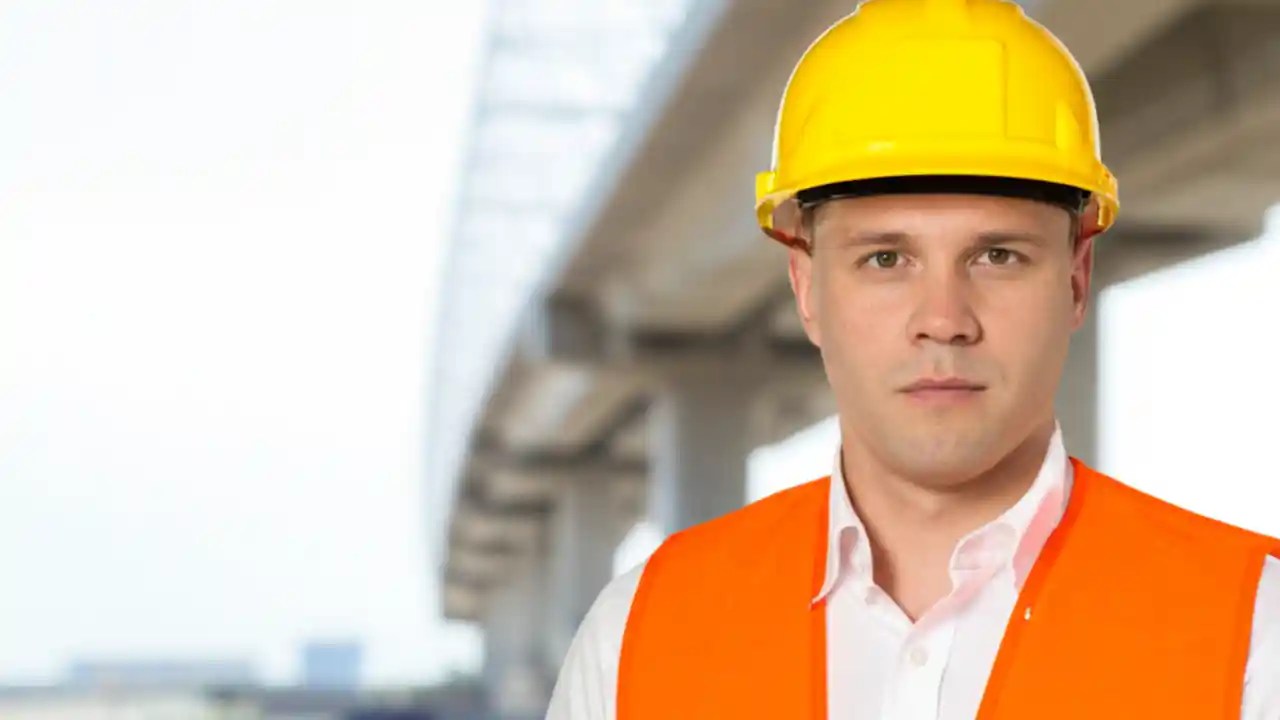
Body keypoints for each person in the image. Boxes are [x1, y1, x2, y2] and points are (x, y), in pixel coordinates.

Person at [547, 0, 1280, 717]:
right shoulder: (636, 640)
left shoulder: (1253, 636)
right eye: (886, 258)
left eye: (997, 255)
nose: (943, 320)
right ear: (806, 289)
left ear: (1076, 278)